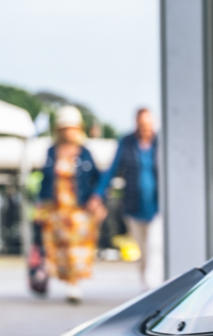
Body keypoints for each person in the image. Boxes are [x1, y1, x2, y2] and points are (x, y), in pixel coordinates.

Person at [35, 105, 103, 302]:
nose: (69, 132)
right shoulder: (51, 152)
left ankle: (75, 285)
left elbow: (98, 179)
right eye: (65, 128)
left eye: (72, 127)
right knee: (59, 250)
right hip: (56, 209)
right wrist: (40, 204)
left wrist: (98, 201)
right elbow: (44, 180)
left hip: (79, 210)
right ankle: (68, 282)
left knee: (77, 250)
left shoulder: (85, 153)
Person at [98, 107, 161, 287]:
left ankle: (153, 286)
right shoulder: (127, 143)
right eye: (142, 125)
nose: (145, 129)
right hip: (134, 206)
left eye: (148, 125)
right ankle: (146, 286)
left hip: (157, 207)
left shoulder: (160, 143)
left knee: (154, 247)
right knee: (143, 250)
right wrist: (98, 195)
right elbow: (112, 170)